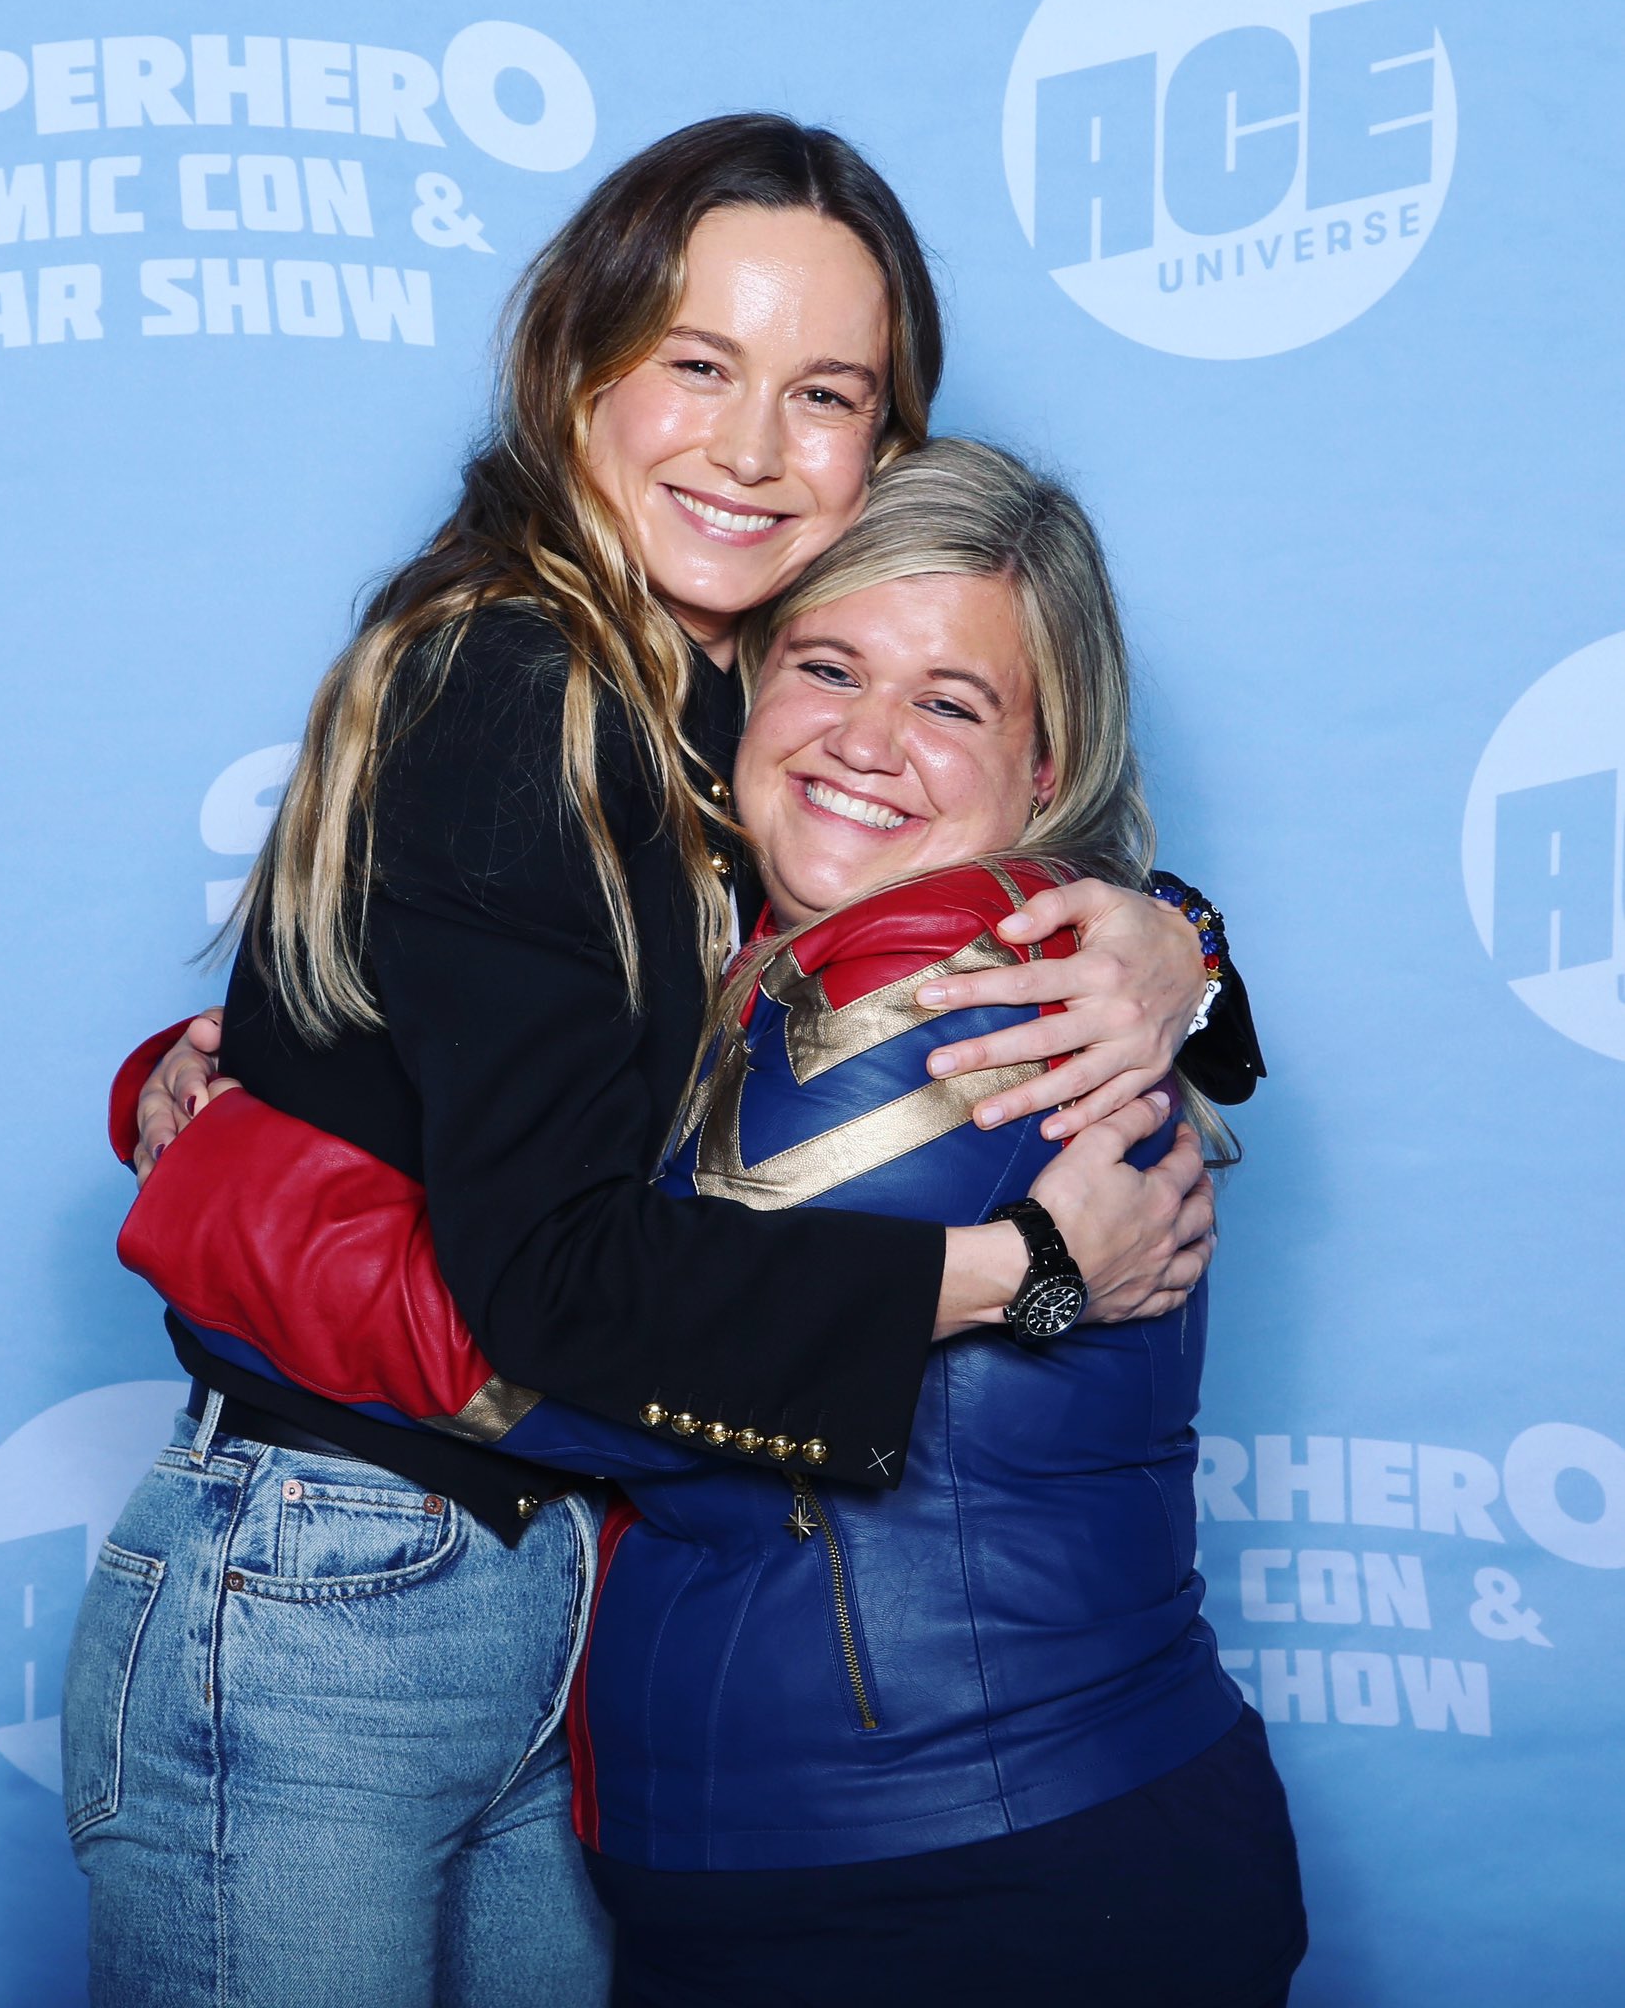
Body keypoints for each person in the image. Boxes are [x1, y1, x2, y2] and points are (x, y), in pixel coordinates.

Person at [70, 115, 1259, 2007]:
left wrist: (1178, 942)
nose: (751, 446)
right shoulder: (529, 679)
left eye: (825, 394)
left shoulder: (715, 711)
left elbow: (574, 1164)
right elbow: (558, 1276)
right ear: (580, 368)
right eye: (698, 363)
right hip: (341, 1572)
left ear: (882, 449)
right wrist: (1022, 1267)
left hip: (557, 1615)